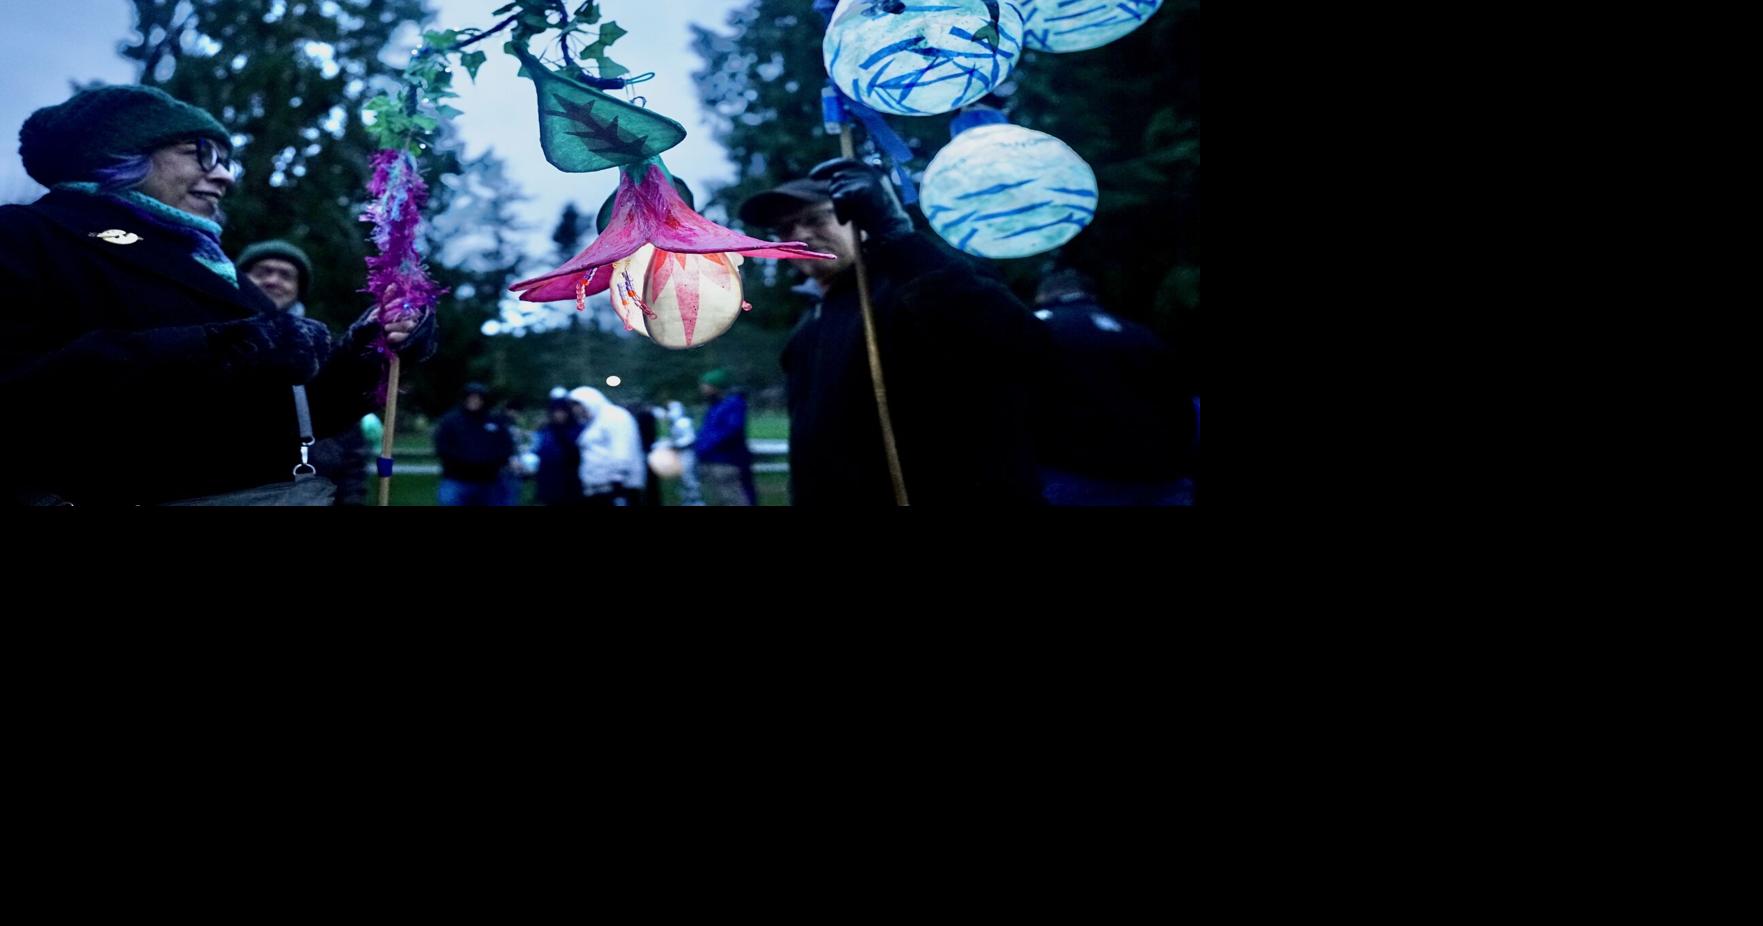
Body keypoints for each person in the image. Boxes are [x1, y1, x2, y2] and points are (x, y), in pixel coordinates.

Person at [0, 84, 432, 506]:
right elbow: (22, 393)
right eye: (200, 154)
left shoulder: (212, 264)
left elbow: (295, 417)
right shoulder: (26, 235)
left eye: (226, 160)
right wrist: (221, 349)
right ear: (119, 156)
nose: (225, 176)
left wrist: (368, 353)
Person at [739, 159, 1042, 506]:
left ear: (862, 215)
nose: (799, 236)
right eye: (785, 229)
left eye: (816, 219)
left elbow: (1018, 343)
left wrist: (897, 235)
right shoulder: (807, 327)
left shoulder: (915, 283)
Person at [1029, 269, 1197, 506]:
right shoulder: (1139, 333)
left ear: (1042, 294)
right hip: (1154, 479)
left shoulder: (1031, 328)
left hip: (1070, 479)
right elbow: (1181, 408)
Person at [236, 238, 371, 505]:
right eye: (262, 272)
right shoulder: (211, 333)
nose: (273, 280)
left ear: (299, 289)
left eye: (286, 275)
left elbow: (349, 439)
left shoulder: (322, 347)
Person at [433, 382, 517, 506]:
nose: (474, 401)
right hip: (457, 479)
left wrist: (492, 460)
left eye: (478, 398)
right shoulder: (450, 421)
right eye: (471, 397)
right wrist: (465, 460)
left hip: (489, 481)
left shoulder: (495, 422)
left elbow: (507, 446)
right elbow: (442, 447)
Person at [569, 386, 645, 507]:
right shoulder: (594, 421)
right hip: (599, 488)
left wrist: (618, 483)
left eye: (576, 406)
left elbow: (622, 449)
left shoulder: (614, 417)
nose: (574, 411)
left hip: (616, 487)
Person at [693, 369, 755, 506]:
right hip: (713, 461)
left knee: (734, 500)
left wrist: (705, 446)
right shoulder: (715, 406)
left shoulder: (732, 405)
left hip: (726, 462)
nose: (702, 388)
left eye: (705, 384)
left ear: (715, 386)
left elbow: (730, 431)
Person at [531, 395, 585, 506]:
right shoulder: (545, 431)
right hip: (549, 482)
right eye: (555, 411)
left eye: (562, 411)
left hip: (571, 482)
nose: (559, 415)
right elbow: (538, 451)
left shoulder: (578, 430)